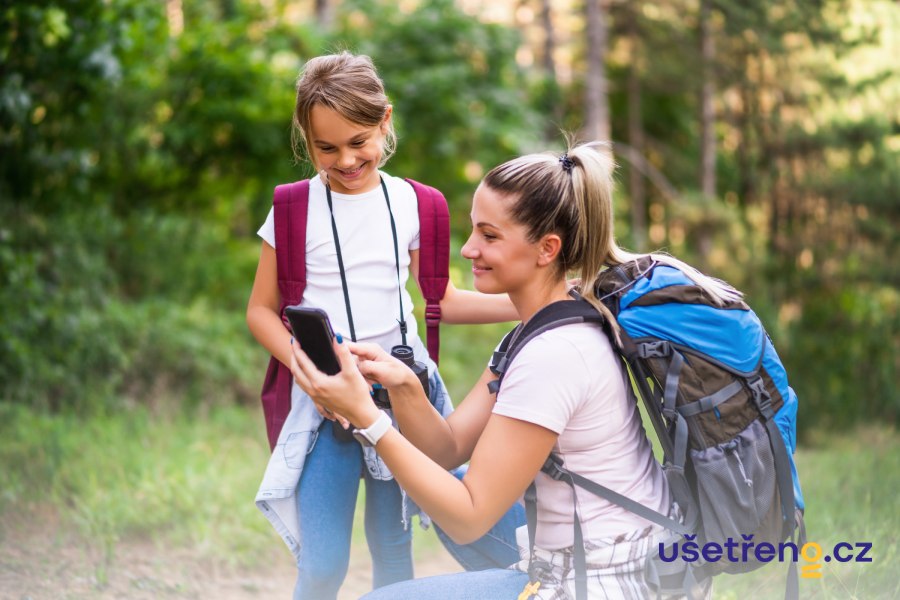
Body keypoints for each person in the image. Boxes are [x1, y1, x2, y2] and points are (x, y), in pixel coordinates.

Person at [288, 141, 725, 599]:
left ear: (546, 249)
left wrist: (367, 418)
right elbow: (448, 450)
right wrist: (403, 387)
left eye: (489, 236)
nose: (467, 248)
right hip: (598, 559)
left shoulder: (555, 355)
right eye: (474, 230)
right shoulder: (532, 332)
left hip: (609, 582)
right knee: (446, 489)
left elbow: (470, 516)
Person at [246, 52, 518, 600]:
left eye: (359, 141)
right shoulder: (293, 209)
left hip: (399, 395)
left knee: (392, 550)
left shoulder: (419, 204)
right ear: (306, 138)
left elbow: (441, 300)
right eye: (327, 148)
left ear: (384, 122)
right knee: (322, 565)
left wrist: (533, 305)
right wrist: (304, 371)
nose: (346, 159)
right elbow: (260, 310)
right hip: (327, 399)